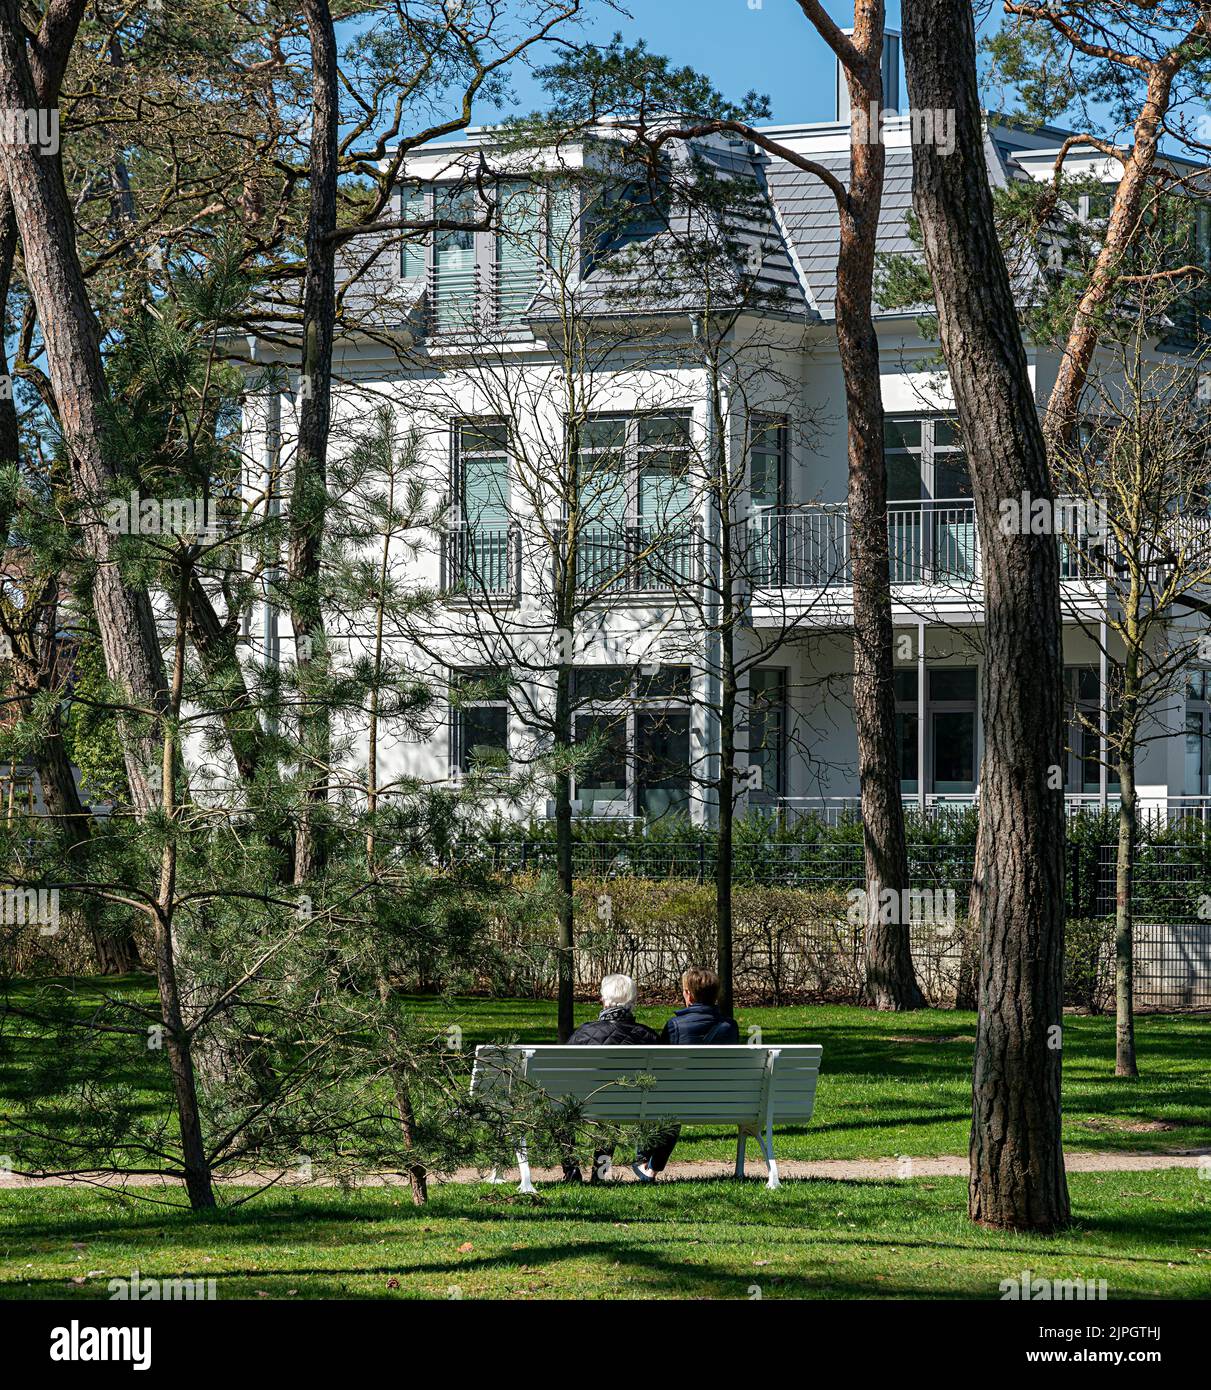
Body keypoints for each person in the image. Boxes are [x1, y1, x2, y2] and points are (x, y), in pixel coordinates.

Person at [632, 966, 740, 1183]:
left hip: (680, 1100)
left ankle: (644, 1161)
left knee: (660, 1097)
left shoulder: (675, 1026)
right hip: (722, 1102)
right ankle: (650, 1167)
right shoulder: (730, 1027)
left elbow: (659, 1069)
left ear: (689, 994)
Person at [562, 974, 660, 1184]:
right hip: (628, 1105)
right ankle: (600, 1172)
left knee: (560, 1105)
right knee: (612, 1110)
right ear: (633, 1003)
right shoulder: (648, 1037)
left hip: (583, 1102)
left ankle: (571, 1171)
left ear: (603, 1001)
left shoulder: (583, 1034)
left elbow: (563, 1074)